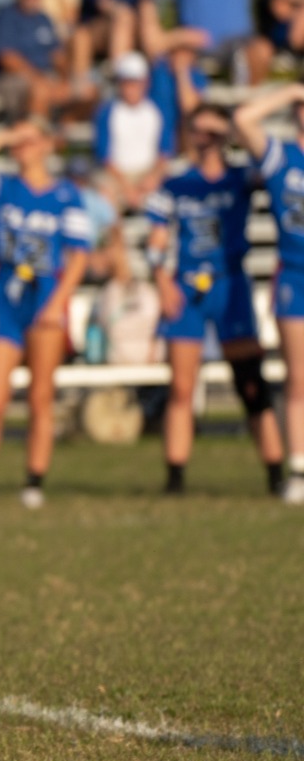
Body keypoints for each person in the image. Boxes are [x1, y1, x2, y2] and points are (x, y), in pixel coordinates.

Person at [0, 121, 93, 509]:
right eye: (21, 141)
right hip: (5, 300)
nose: (23, 148)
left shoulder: (67, 196)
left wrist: (56, 303)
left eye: (32, 141)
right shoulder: (4, 186)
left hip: (44, 299)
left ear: (48, 145)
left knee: (40, 397)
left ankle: (34, 481)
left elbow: (79, 256)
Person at [145, 103, 284, 496]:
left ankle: (276, 473)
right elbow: (156, 239)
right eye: (196, 131)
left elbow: (272, 166)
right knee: (182, 387)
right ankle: (175, 477)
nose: (202, 139)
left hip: (231, 285)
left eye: (211, 132)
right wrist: (162, 281)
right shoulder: (176, 184)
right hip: (187, 286)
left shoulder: (242, 178)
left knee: (251, 381)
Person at [231, 83, 304, 502]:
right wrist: (291, 89)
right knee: (298, 378)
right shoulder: (282, 156)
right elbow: (243, 119)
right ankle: (297, 469)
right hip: (294, 275)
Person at [92, 51, 174, 212]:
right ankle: (114, 234)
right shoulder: (106, 112)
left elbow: (165, 152)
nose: (130, 89)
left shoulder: (157, 111)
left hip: (147, 172)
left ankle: (159, 233)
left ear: (145, 83)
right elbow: (105, 157)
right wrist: (127, 187)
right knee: (103, 195)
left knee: (169, 187)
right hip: (117, 176)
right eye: (126, 83)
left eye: (135, 82)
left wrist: (152, 178)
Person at [0, 0, 68, 117]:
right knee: (40, 90)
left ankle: (61, 133)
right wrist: (39, 79)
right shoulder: (6, 17)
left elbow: (57, 55)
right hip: (10, 79)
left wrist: (65, 79)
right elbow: (7, 59)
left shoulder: (44, 19)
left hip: (45, 76)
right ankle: (37, 134)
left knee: (87, 91)